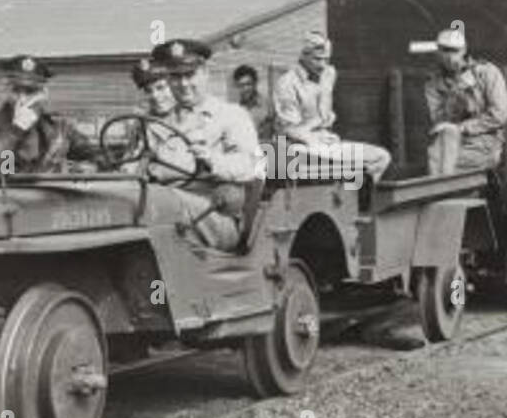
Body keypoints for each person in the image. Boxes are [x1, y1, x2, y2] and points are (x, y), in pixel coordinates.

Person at [142, 38, 264, 252]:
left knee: (154, 213)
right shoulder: (159, 123)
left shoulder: (231, 116)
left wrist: (211, 160)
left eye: (190, 75)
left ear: (205, 73)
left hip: (215, 214)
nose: (183, 84)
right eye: (175, 76)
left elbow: (250, 166)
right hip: (164, 209)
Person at [272, 30, 391, 184]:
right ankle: (347, 197)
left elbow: (326, 112)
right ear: (303, 56)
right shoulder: (286, 83)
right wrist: (318, 139)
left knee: (381, 157)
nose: (322, 65)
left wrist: (327, 136)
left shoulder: (329, 74)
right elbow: (289, 129)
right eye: (317, 59)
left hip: (326, 141)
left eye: (326, 60)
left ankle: (354, 199)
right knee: (344, 165)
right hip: (295, 148)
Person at [0, 54, 100, 173]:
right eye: (17, 91)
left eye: (30, 92)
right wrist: (15, 131)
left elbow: (94, 154)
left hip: (52, 198)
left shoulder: (59, 128)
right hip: (12, 199)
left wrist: (98, 162)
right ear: (7, 91)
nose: (23, 99)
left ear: (43, 94)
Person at [424, 25, 507, 175]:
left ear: (464, 50)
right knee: (435, 159)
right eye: (445, 51)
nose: (450, 57)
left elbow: (499, 115)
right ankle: (446, 196)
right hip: (450, 140)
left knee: (449, 165)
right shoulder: (433, 83)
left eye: (455, 51)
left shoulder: (487, 73)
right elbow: (438, 120)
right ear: (438, 52)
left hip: (485, 140)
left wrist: (464, 127)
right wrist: (455, 92)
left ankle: (454, 195)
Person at [233, 64, 274, 141]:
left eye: (248, 84)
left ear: (255, 83)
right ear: (237, 86)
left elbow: (280, 133)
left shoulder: (268, 106)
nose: (245, 89)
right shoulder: (235, 110)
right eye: (241, 85)